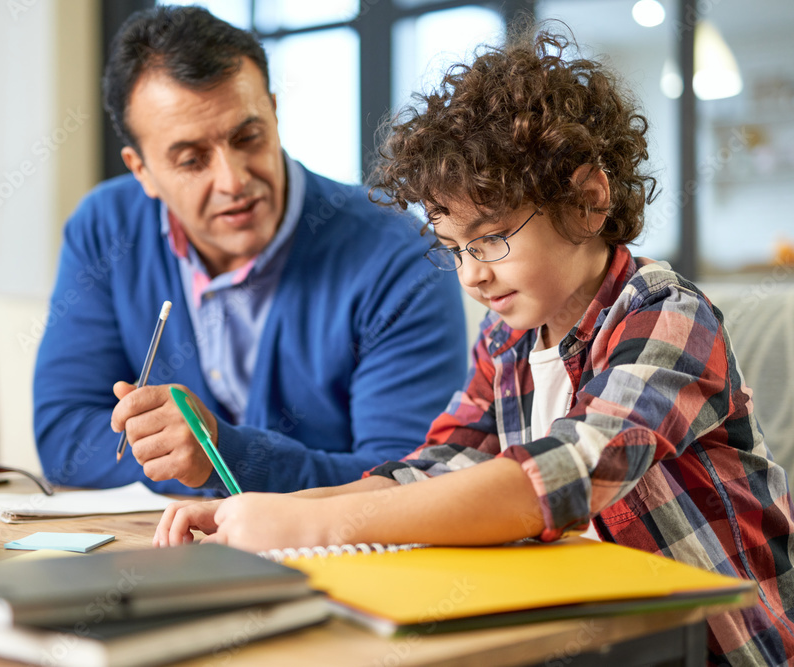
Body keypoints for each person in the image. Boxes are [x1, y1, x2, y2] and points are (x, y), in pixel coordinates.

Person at [154, 28, 794, 664]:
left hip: (716, 650)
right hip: (591, 638)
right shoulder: (505, 338)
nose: (471, 275)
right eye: (455, 249)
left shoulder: (667, 315)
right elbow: (436, 467)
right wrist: (270, 511)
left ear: (588, 200)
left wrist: (313, 527)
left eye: (489, 239)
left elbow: (559, 480)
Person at [32, 5, 468, 496]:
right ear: (142, 171)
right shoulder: (105, 229)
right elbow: (65, 441)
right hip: (163, 552)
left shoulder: (400, 255)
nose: (234, 180)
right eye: (192, 160)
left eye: (249, 137)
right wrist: (186, 458)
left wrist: (222, 458)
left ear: (275, 114)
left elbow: (408, 478)